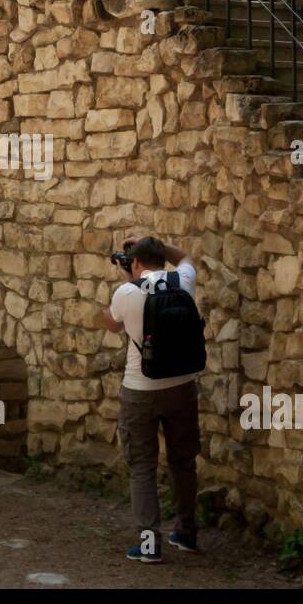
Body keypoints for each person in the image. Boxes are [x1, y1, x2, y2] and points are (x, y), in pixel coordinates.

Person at [100, 236, 201, 563]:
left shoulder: (126, 292)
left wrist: (127, 278)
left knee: (142, 466)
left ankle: (148, 545)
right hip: (183, 386)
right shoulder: (183, 280)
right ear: (162, 259)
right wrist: (152, 242)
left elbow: (112, 324)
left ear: (136, 262)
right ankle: (186, 533)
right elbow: (184, 256)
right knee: (183, 462)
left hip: (140, 390)